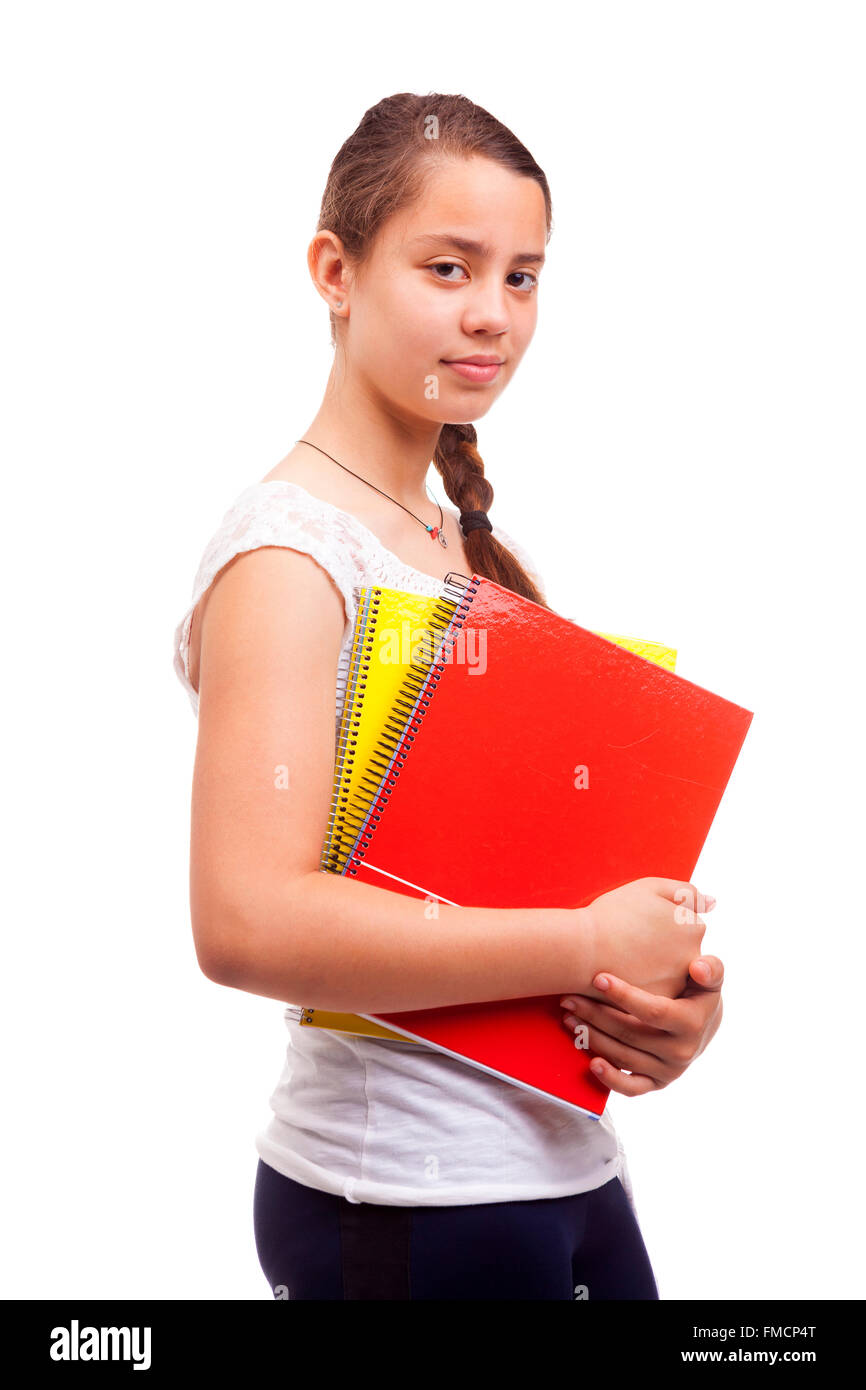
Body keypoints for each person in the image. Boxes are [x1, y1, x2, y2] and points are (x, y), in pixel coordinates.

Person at [172, 91, 725, 1301]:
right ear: (336, 269)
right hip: (403, 1202)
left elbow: (502, 887)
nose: (492, 314)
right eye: (447, 266)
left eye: (522, 276)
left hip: (560, 1171)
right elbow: (246, 922)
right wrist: (585, 939)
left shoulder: (466, 542)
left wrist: (647, 1008)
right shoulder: (290, 558)